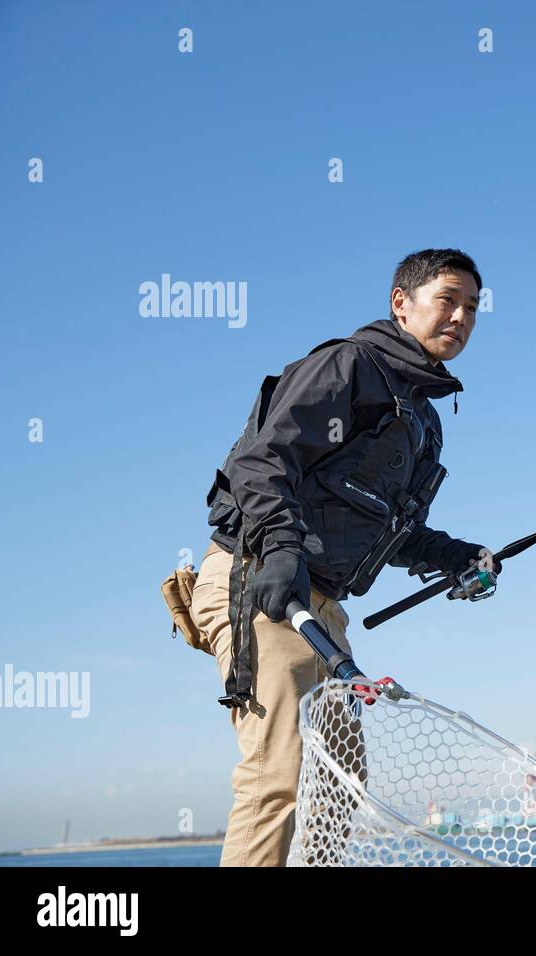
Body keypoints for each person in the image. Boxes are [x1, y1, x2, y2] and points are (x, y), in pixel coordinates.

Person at [188, 248, 498, 866]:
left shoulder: (423, 420)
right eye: (447, 300)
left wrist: (453, 554)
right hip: (260, 583)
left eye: (471, 307)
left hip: (322, 612)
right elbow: (261, 462)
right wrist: (279, 546)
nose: (460, 317)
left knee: (338, 782)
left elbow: (391, 532)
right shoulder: (349, 366)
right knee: (278, 776)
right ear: (400, 303)